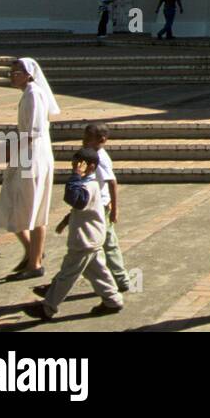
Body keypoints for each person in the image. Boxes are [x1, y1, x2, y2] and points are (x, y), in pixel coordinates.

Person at [25, 148, 124, 319]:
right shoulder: (89, 184)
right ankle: (113, 300)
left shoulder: (88, 185)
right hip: (93, 238)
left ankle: (48, 307)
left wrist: (75, 177)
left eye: (78, 166)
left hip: (85, 241)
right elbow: (79, 209)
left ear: (90, 167)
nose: (74, 169)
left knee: (67, 275)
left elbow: (75, 200)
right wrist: (65, 221)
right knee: (98, 272)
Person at [0, 58, 59, 279]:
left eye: (17, 72)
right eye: (11, 71)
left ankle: (35, 263)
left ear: (29, 74)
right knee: (16, 207)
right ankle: (33, 254)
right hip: (29, 156)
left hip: (32, 159)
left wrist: (11, 151)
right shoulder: (30, 93)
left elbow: (32, 132)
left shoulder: (33, 95)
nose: (12, 75)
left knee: (31, 209)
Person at [83, 122, 131, 292]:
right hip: (95, 204)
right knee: (106, 244)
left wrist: (114, 209)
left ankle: (119, 279)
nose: (84, 142)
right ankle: (121, 279)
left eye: (88, 139)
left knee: (101, 245)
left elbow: (112, 182)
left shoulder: (99, 157)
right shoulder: (93, 154)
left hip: (100, 206)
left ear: (101, 139)